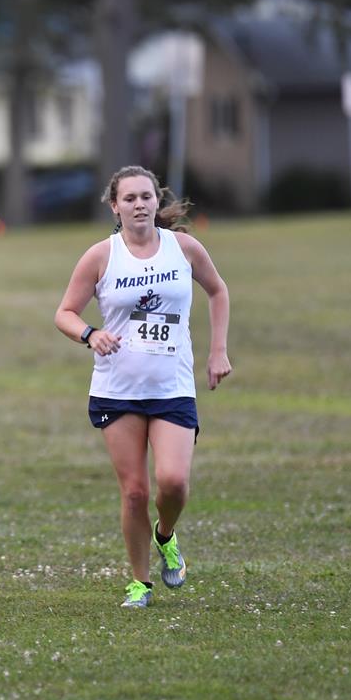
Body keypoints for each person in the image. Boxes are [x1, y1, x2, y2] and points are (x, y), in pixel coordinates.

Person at [53, 165, 232, 609]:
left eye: (146, 197)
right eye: (129, 198)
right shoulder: (100, 256)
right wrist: (90, 334)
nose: (139, 205)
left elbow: (218, 291)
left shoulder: (184, 248)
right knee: (134, 491)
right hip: (118, 389)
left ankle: (165, 535)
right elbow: (65, 312)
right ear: (115, 206)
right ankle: (140, 582)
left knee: (173, 483)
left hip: (172, 387)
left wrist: (218, 352)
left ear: (157, 201)